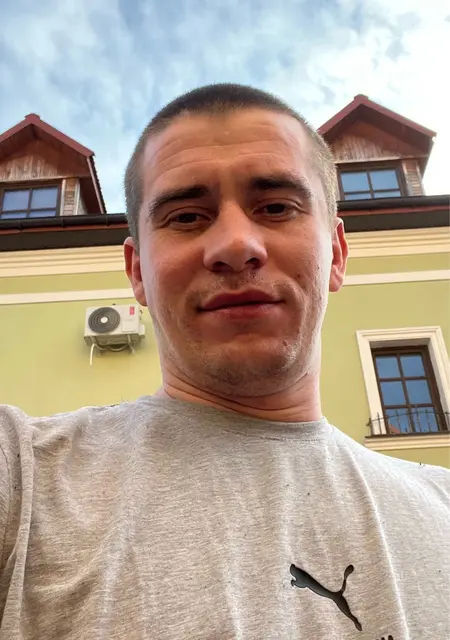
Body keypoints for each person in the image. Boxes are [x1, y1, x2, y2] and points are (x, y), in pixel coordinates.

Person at [0, 84, 449, 640]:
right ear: (137, 272)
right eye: (187, 216)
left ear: (335, 253)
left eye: (276, 207)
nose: (236, 245)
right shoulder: (25, 479)